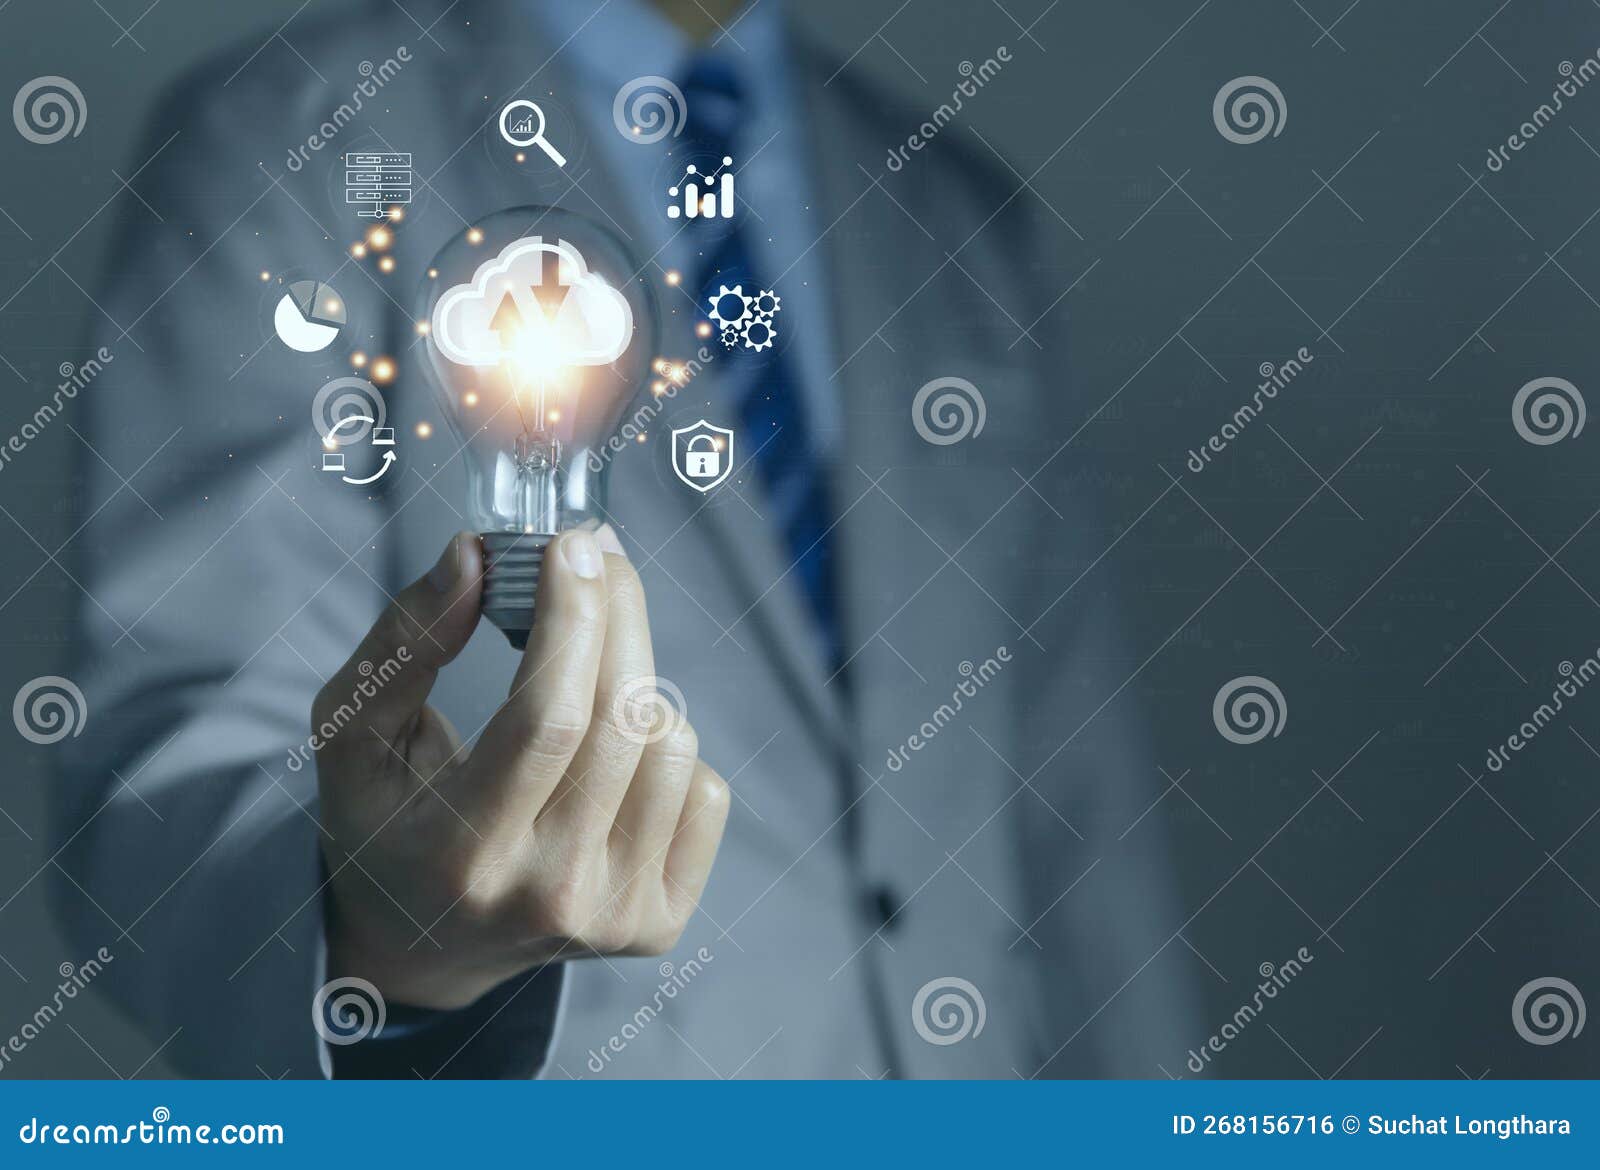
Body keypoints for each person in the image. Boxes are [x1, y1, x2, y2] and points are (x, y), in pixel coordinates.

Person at [55, 0, 1194, 1078]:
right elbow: (180, 747)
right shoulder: (300, 130)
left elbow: (1074, 800)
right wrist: (390, 940)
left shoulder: (955, 210)